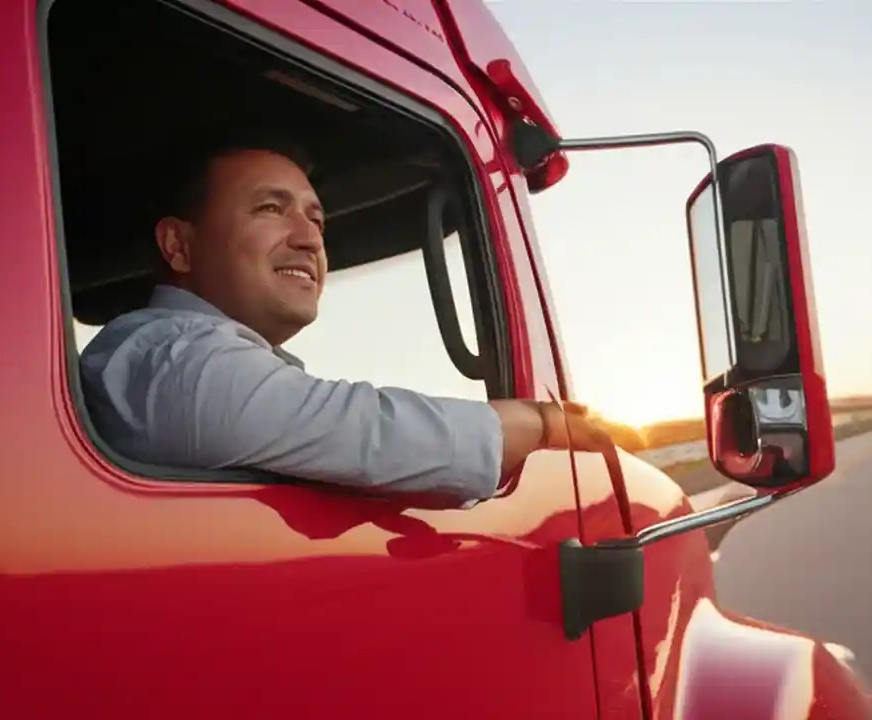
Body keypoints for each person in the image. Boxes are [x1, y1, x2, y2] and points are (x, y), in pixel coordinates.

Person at [79, 131, 612, 506]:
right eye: (270, 208)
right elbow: (358, 428)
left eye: (316, 219)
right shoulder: (165, 361)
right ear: (178, 245)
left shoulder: (188, 361)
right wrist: (539, 424)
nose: (310, 238)